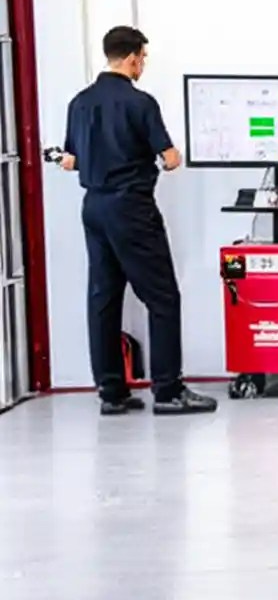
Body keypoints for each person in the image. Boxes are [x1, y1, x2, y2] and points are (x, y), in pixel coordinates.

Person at [61, 26, 217, 416]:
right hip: (131, 208)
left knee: (103, 297)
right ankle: (168, 391)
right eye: (143, 58)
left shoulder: (80, 102)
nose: (143, 64)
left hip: (93, 208)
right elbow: (170, 158)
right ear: (132, 58)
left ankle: (111, 392)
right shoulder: (140, 103)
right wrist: (171, 158)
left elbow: (71, 160)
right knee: (162, 297)